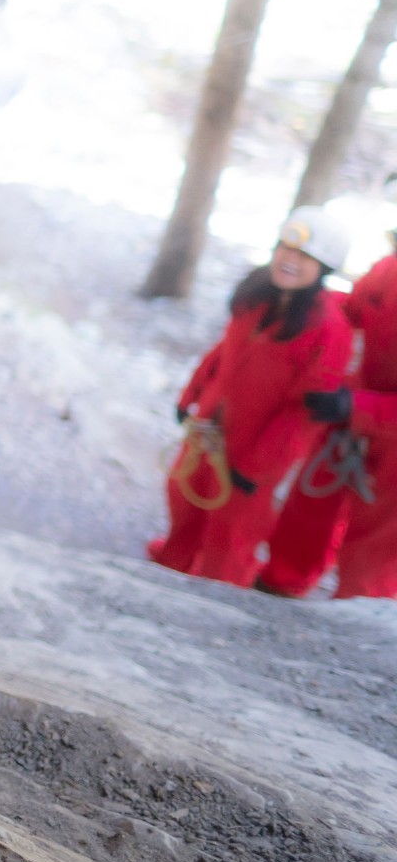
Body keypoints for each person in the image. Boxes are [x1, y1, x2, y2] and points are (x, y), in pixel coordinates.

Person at [148, 210, 355, 588]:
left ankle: (220, 593)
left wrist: (256, 467)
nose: (289, 260)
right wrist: (191, 396)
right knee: (185, 496)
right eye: (285, 248)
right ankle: (172, 564)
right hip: (210, 428)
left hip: (255, 449)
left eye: (304, 256)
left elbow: (302, 414)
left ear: (324, 267)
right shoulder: (257, 297)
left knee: (232, 528)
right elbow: (223, 352)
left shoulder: (329, 329)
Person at [258, 210, 396, 599]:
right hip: (352, 411)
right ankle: (281, 580)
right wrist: (303, 294)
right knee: (312, 503)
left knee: (379, 542)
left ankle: (361, 615)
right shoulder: (389, 269)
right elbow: (355, 308)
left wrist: (358, 407)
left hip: (373, 421)